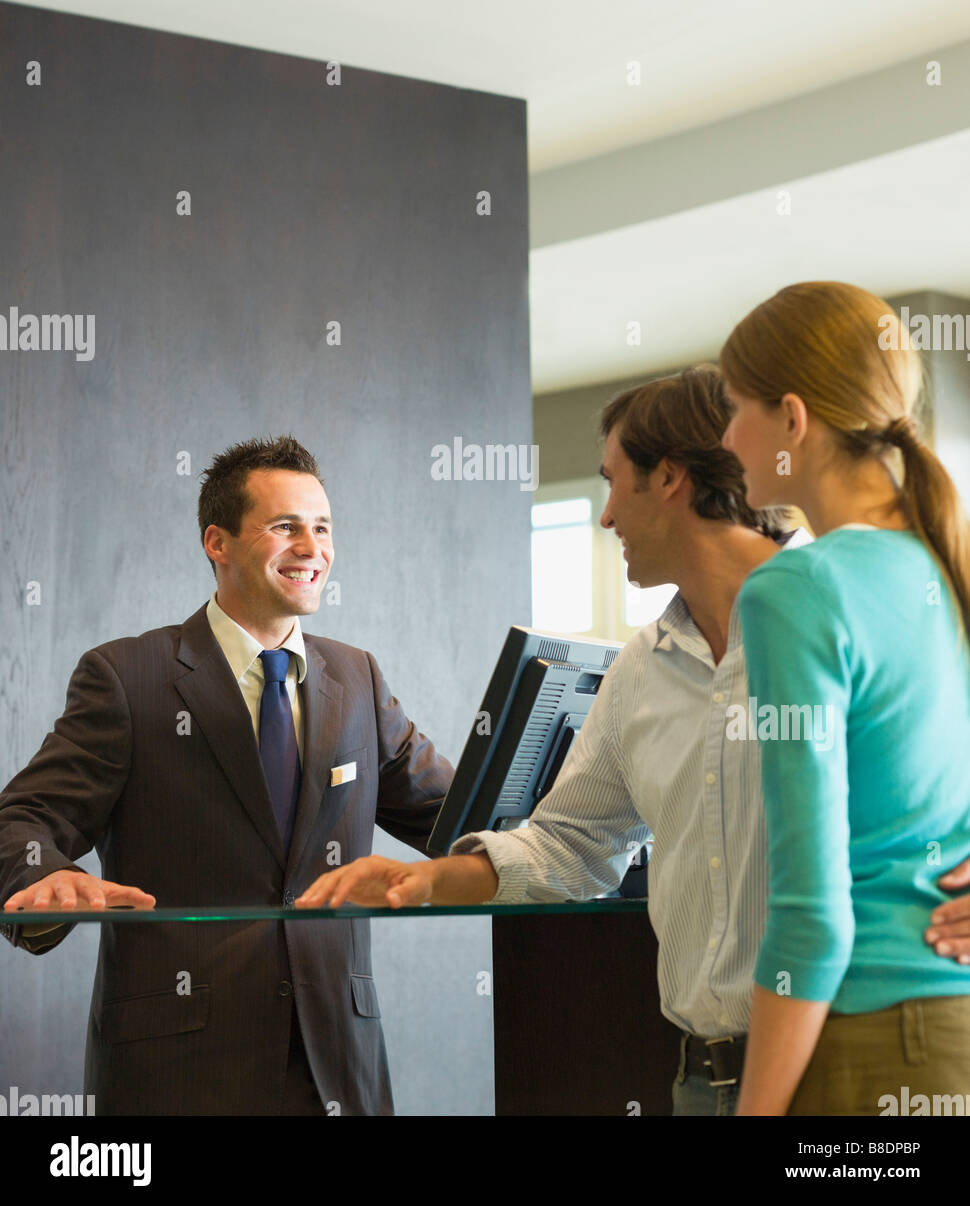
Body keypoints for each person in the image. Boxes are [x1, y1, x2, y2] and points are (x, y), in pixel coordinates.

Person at [297, 363, 970, 1116]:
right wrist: (426, 880)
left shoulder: (846, 608)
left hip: (844, 1059)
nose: (606, 514)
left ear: (671, 479)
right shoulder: (641, 671)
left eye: (614, 482)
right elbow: (569, 844)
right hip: (698, 1077)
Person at [0, 435, 453, 1116]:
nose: (313, 547)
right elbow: (21, 822)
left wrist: (575, 826)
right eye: (285, 527)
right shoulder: (128, 678)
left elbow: (458, 814)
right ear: (218, 542)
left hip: (336, 1067)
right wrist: (43, 875)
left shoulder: (358, 678)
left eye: (322, 527)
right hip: (180, 1073)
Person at [718, 281, 970, 1116]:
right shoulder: (947, 563)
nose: (727, 438)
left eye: (735, 408)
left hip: (871, 1043)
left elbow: (813, 917)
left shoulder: (797, 590)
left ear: (793, 419)